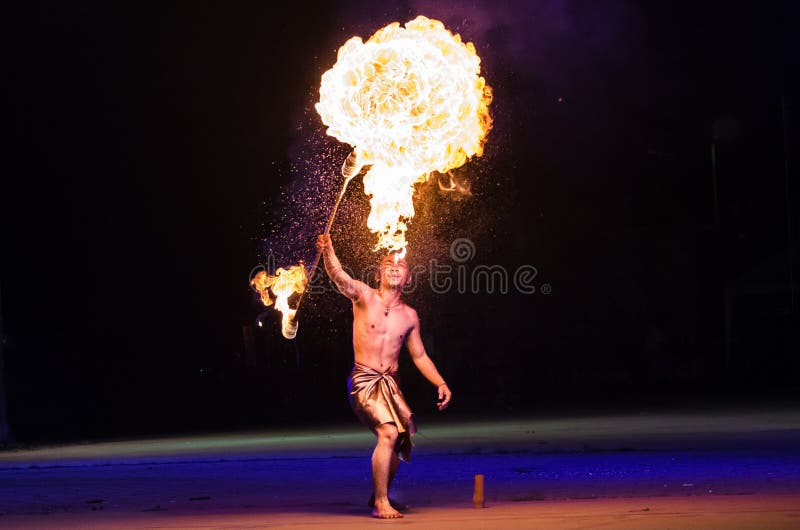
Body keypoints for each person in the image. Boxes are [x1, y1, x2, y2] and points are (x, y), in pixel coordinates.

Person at [316, 234, 452, 519]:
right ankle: (380, 503)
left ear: (408, 277)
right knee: (388, 432)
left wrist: (440, 382)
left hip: (391, 383)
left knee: (401, 441)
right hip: (364, 380)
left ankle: (380, 494)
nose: (394, 266)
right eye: (388, 263)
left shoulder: (410, 315)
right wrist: (328, 250)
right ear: (378, 273)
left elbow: (419, 356)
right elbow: (340, 276)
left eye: (400, 264)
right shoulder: (364, 296)